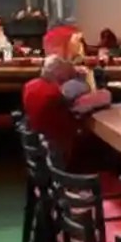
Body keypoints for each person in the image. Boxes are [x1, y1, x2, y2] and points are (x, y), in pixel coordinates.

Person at [21, 25, 111, 170]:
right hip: (65, 158)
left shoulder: (34, 86)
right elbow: (98, 99)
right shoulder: (63, 92)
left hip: (46, 153)